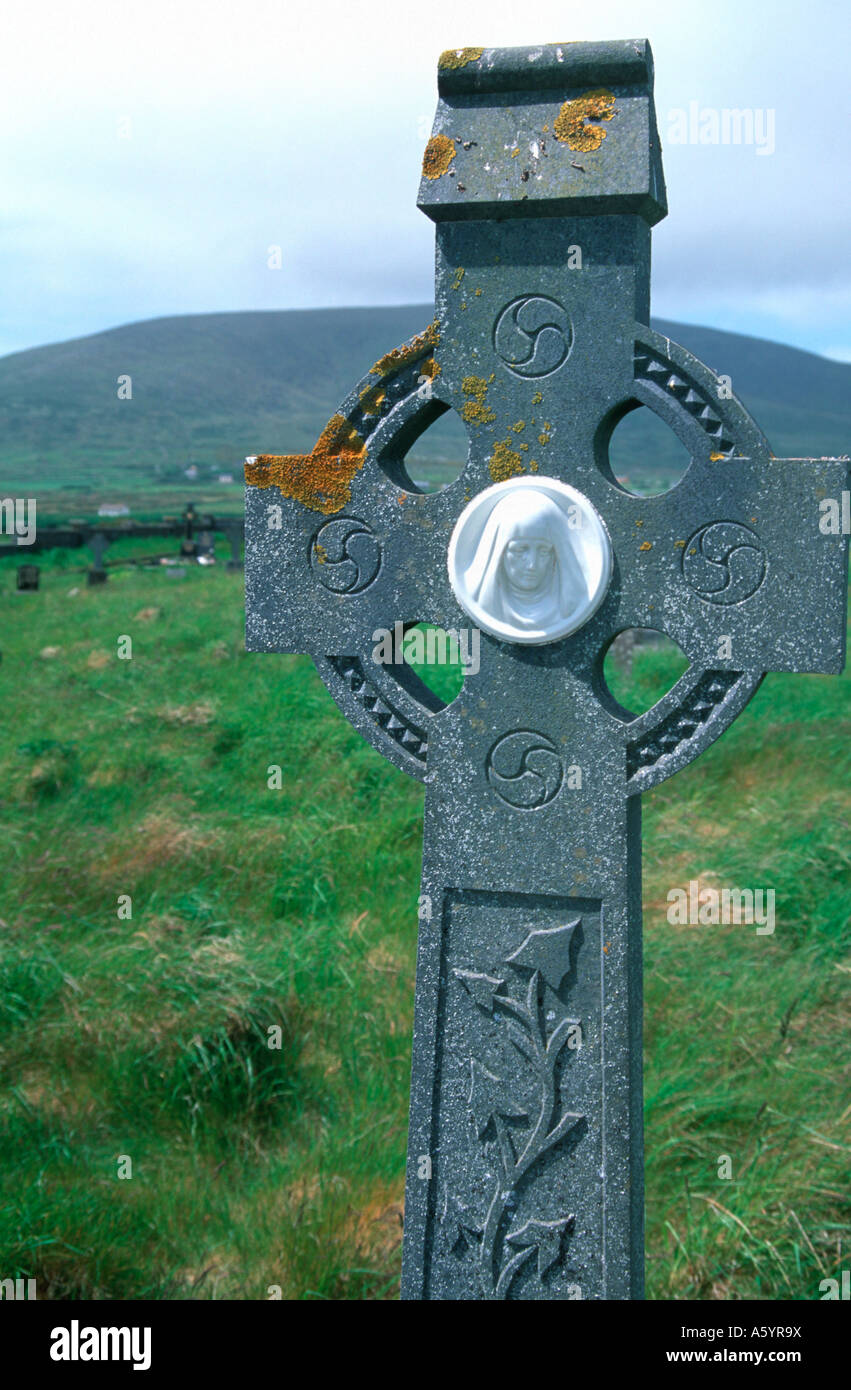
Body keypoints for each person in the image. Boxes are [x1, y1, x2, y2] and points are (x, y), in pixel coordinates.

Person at [463, 487, 587, 637]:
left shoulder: (570, 604)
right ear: (499, 551)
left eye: (543, 551)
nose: (532, 565)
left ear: (555, 555)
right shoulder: (486, 604)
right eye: (521, 550)